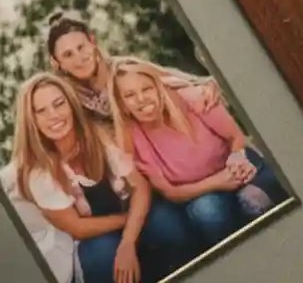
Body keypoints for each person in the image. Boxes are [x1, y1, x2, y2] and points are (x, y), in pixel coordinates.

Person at [12, 73, 198, 283]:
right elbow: (77, 228)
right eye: (41, 111)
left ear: (71, 104)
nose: (54, 115)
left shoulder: (98, 136)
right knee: (103, 257)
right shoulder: (38, 173)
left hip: (133, 210)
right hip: (95, 235)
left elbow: (140, 188)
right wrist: (128, 222)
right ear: (31, 120)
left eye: (59, 104)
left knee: (167, 225)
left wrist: (128, 239)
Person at [109, 57, 287, 250]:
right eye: (130, 95)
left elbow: (235, 137)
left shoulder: (192, 98)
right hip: (203, 193)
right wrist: (218, 182)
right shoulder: (134, 138)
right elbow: (171, 192)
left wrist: (237, 159)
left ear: (158, 86)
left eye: (146, 89)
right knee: (207, 212)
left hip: (243, 169)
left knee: (253, 200)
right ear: (122, 105)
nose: (142, 99)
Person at [44, 13, 220, 123]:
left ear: (92, 42)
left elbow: (179, 80)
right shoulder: (68, 95)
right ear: (56, 62)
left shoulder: (123, 68)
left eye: (81, 47)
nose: (79, 59)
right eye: (68, 55)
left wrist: (206, 86)